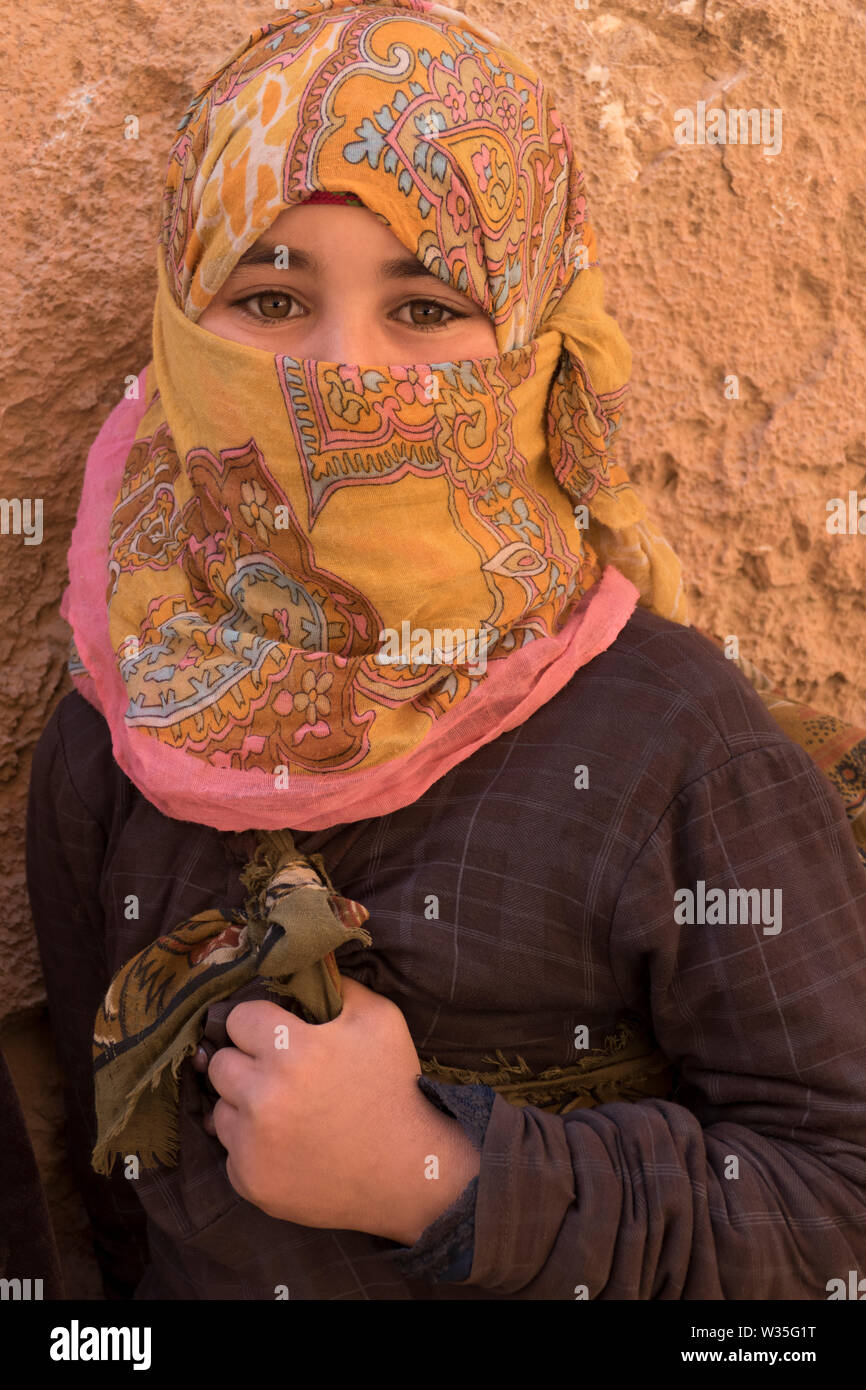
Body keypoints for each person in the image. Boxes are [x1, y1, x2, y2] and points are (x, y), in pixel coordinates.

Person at [26, 0, 866, 1301]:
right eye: (268, 295)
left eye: (423, 306)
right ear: (180, 330)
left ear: (533, 345)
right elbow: (116, 1216)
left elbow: (834, 1213)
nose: (340, 372)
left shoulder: (672, 748)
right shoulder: (113, 735)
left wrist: (432, 1171)